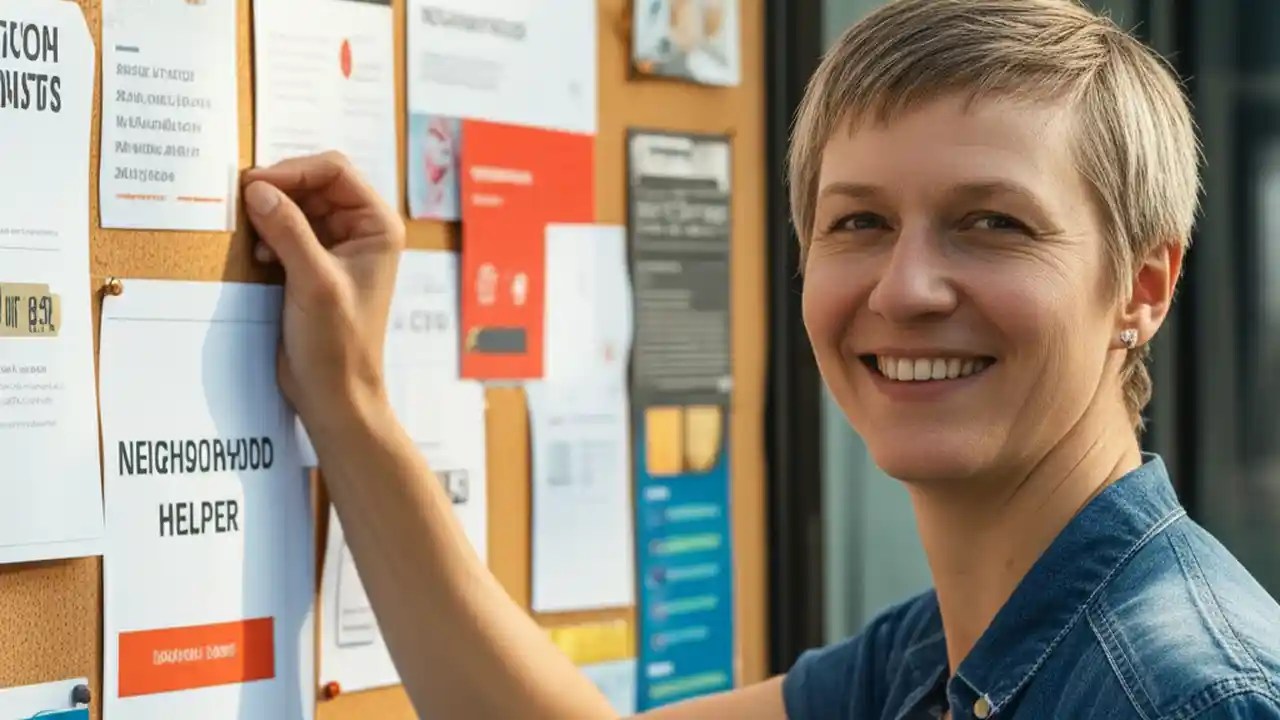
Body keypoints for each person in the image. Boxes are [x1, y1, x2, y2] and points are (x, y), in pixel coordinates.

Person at [239, 0, 1280, 717]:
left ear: (1141, 288)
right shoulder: (941, 656)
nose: (903, 288)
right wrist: (345, 398)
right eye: (859, 222)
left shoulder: (1184, 693)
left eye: (993, 224)